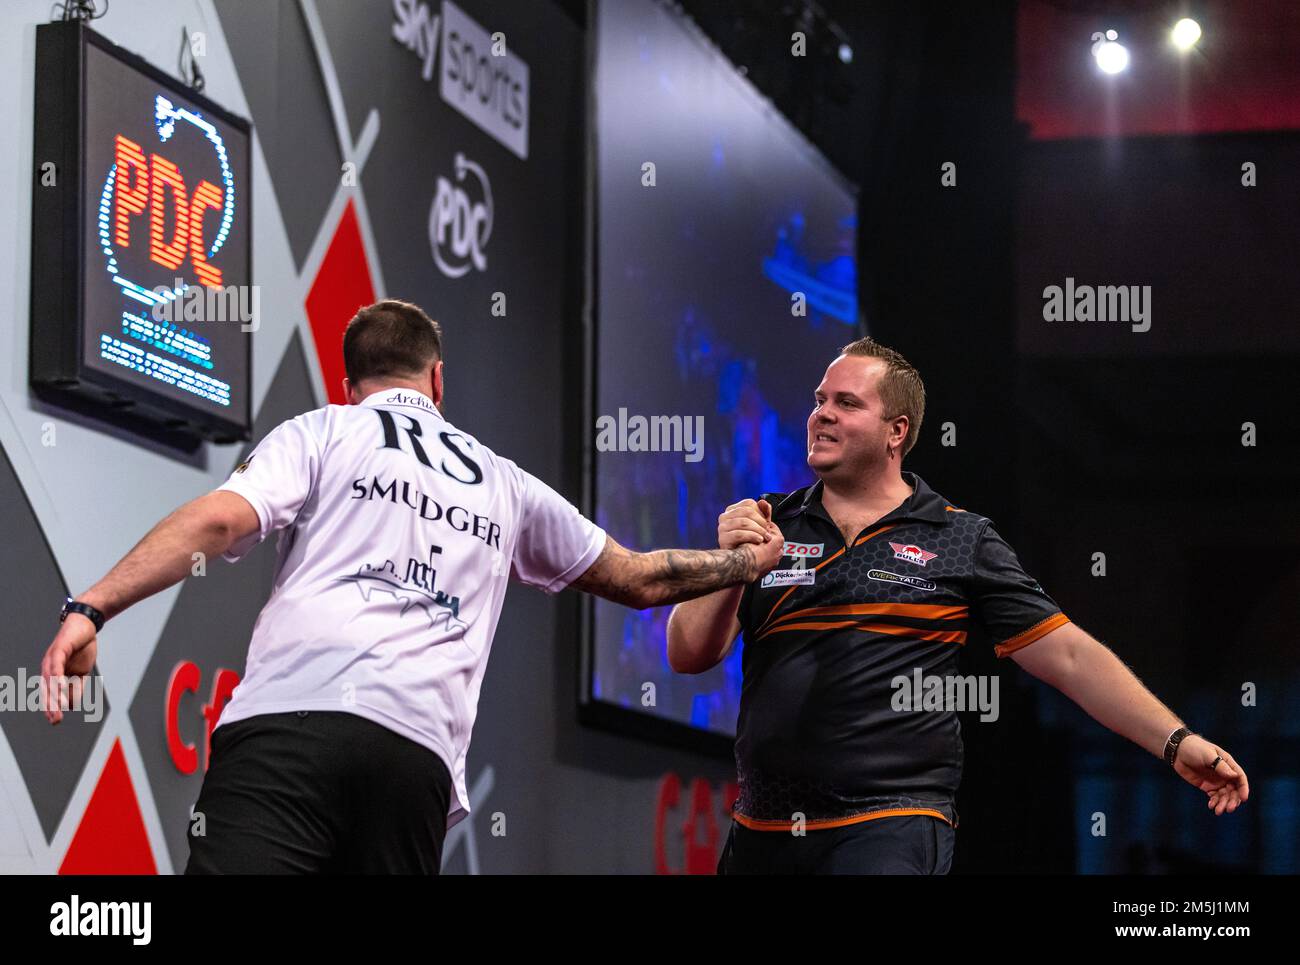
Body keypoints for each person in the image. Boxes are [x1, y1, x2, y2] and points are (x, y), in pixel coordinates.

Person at [39, 299, 785, 874]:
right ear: (437, 377)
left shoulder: (325, 429)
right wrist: (742, 566)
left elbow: (217, 523)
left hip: (288, 728)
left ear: (349, 382)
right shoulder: (504, 481)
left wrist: (92, 605)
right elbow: (638, 576)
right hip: (411, 762)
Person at [667, 336, 1249, 875]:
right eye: (821, 400)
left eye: (847, 402)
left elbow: (1069, 657)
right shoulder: (767, 523)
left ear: (896, 431)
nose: (822, 413)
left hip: (888, 822)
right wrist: (732, 565)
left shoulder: (959, 538)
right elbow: (688, 653)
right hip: (760, 828)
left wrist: (1176, 741)